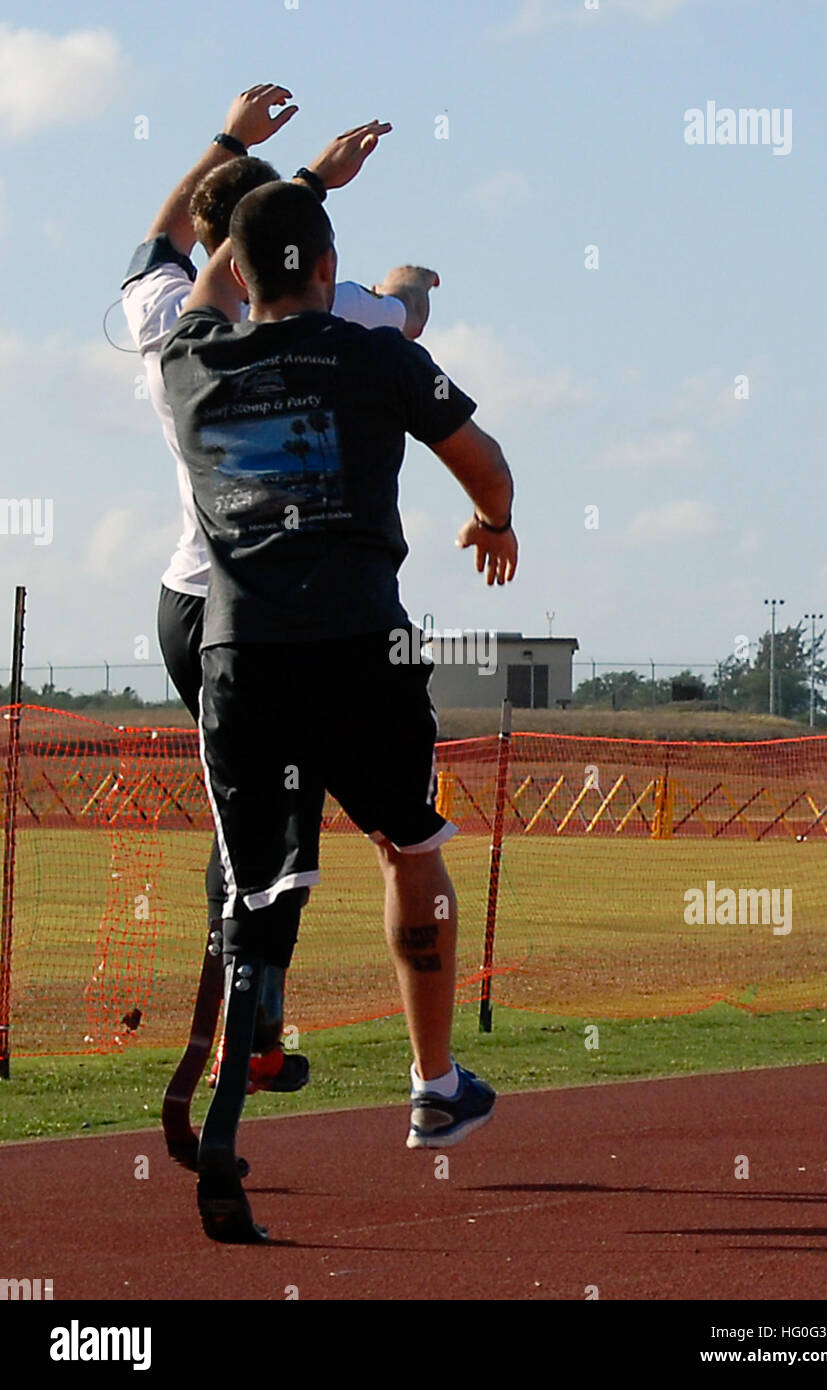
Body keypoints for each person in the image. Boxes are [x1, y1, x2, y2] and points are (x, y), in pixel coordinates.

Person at [161, 180, 518, 1242]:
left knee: (259, 894)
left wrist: (252, 218)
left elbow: (214, 279)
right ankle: (436, 1081)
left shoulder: (186, 365)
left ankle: (227, 1125)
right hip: (363, 647)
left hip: (240, 657)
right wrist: (495, 522)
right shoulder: (374, 356)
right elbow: (484, 462)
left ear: (232, 266)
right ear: (324, 269)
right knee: (410, 844)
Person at [121, 85, 439, 1168]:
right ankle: (264, 1030)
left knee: (247, 824)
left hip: (188, 601)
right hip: (293, 607)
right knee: (314, 840)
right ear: (295, 249)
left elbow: (154, 245)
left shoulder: (172, 319)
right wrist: (413, 281)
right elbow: (408, 317)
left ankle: (252, 1019)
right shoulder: (339, 306)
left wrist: (236, 142)